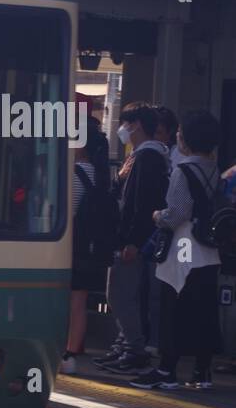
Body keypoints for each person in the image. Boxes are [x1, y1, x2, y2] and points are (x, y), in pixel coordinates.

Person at [131, 111, 223, 390]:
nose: (178, 136)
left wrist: (158, 215)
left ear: (190, 138)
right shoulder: (215, 170)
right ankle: (201, 372)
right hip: (209, 249)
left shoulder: (183, 171)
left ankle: (167, 370)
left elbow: (177, 214)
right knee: (204, 310)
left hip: (184, 247)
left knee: (174, 305)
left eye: (181, 132)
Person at [97, 102, 168, 373]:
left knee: (119, 296)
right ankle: (124, 345)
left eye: (126, 122)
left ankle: (134, 350)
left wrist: (133, 241)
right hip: (129, 238)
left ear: (137, 125)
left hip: (131, 241)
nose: (123, 128)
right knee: (124, 295)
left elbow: (142, 204)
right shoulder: (141, 156)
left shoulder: (147, 157)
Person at [62, 123, 113, 374]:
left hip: (72, 245)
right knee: (79, 302)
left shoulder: (75, 173)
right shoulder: (100, 173)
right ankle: (73, 350)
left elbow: (67, 213)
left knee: (66, 300)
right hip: (91, 247)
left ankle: (64, 350)